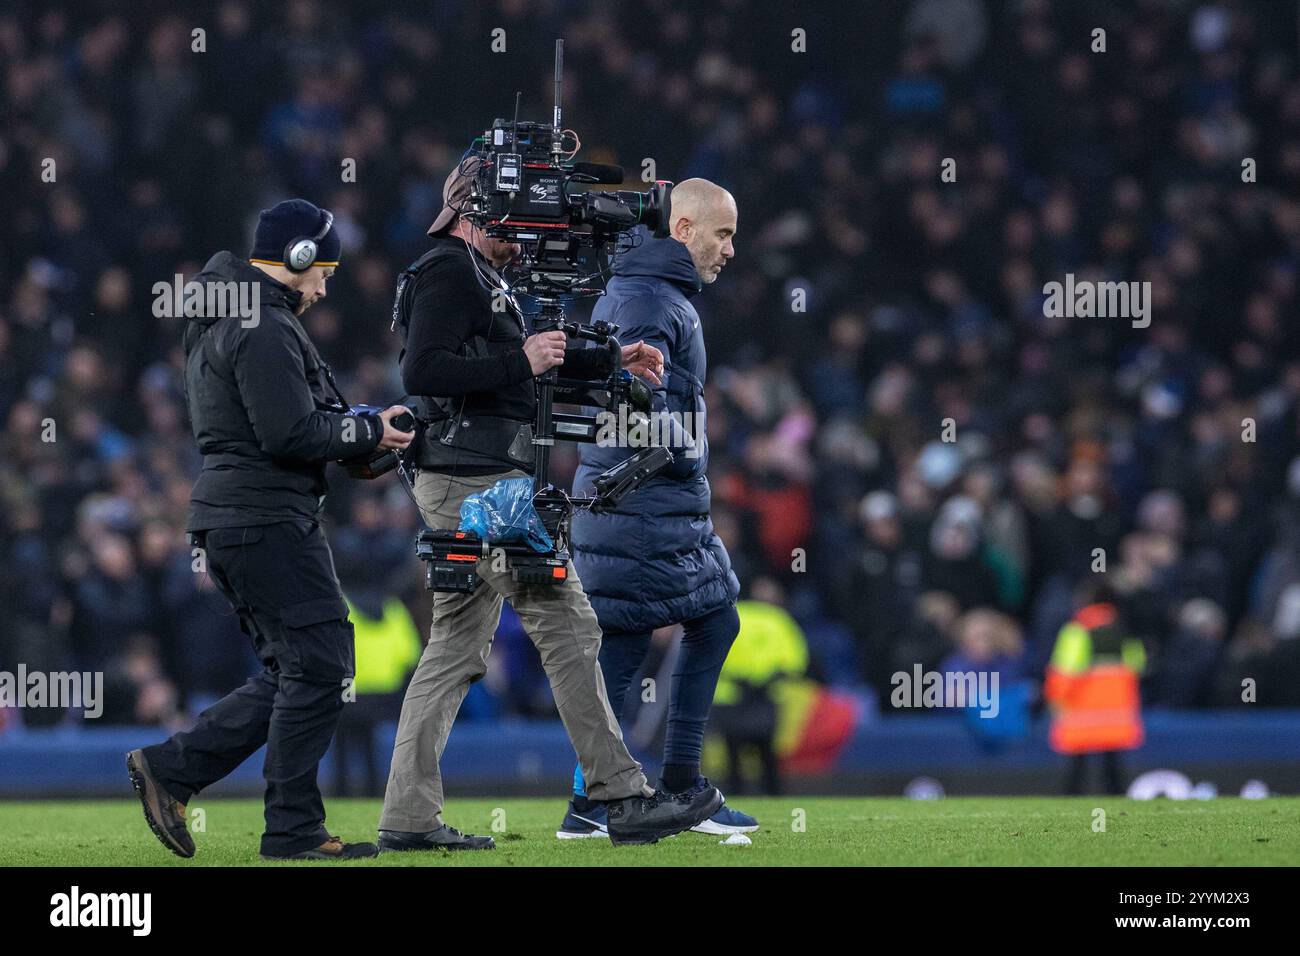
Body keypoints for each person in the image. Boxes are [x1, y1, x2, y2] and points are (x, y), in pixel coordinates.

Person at [377, 160, 723, 850]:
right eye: (511, 230)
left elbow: (517, 372)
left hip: (469, 480)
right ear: (475, 216)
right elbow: (424, 371)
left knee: (453, 651)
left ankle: (408, 820)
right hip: (476, 483)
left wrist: (612, 358)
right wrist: (523, 360)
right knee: (569, 624)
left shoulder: (470, 274)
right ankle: (620, 796)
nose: (522, 245)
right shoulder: (450, 270)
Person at [127, 199, 415, 861]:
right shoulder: (264, 324)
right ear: (299, 257)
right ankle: (290, 828)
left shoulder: (230, 317)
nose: (325, 285)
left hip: (239, 520)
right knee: (321, 668)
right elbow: (289, 433)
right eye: (324, 271)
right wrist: (368, 429)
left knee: (301, 668)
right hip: (266, 519)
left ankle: (175, 769)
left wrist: (365, 437)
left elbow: (288, 429)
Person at [557, 179, 757, 839]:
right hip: (641, 501)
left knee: (630, 637)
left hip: (640, 503)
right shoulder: (648, 297)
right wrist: (688, 452)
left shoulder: (648, 290)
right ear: (683, 228)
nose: (730, 248)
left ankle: (593, 800)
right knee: (707, 623)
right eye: (722, 233)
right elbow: (635, 405)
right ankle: (674, 784)